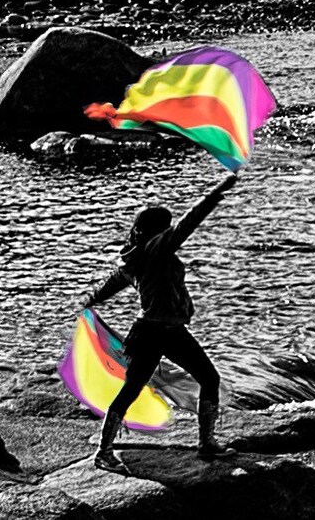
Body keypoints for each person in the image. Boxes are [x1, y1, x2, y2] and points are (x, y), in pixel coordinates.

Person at [81, 172, 239, 472]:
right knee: (138, 388)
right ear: (158, 230)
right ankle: (104, 452)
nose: (170, 230)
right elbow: (188, 223)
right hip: (155, 333)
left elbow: (113, 282)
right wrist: (216, 192)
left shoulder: (134, 256)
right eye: (166, 226)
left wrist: (90, 299)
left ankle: (207, 444)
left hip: (165, 331)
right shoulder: (157, 248)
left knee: (205, 379)